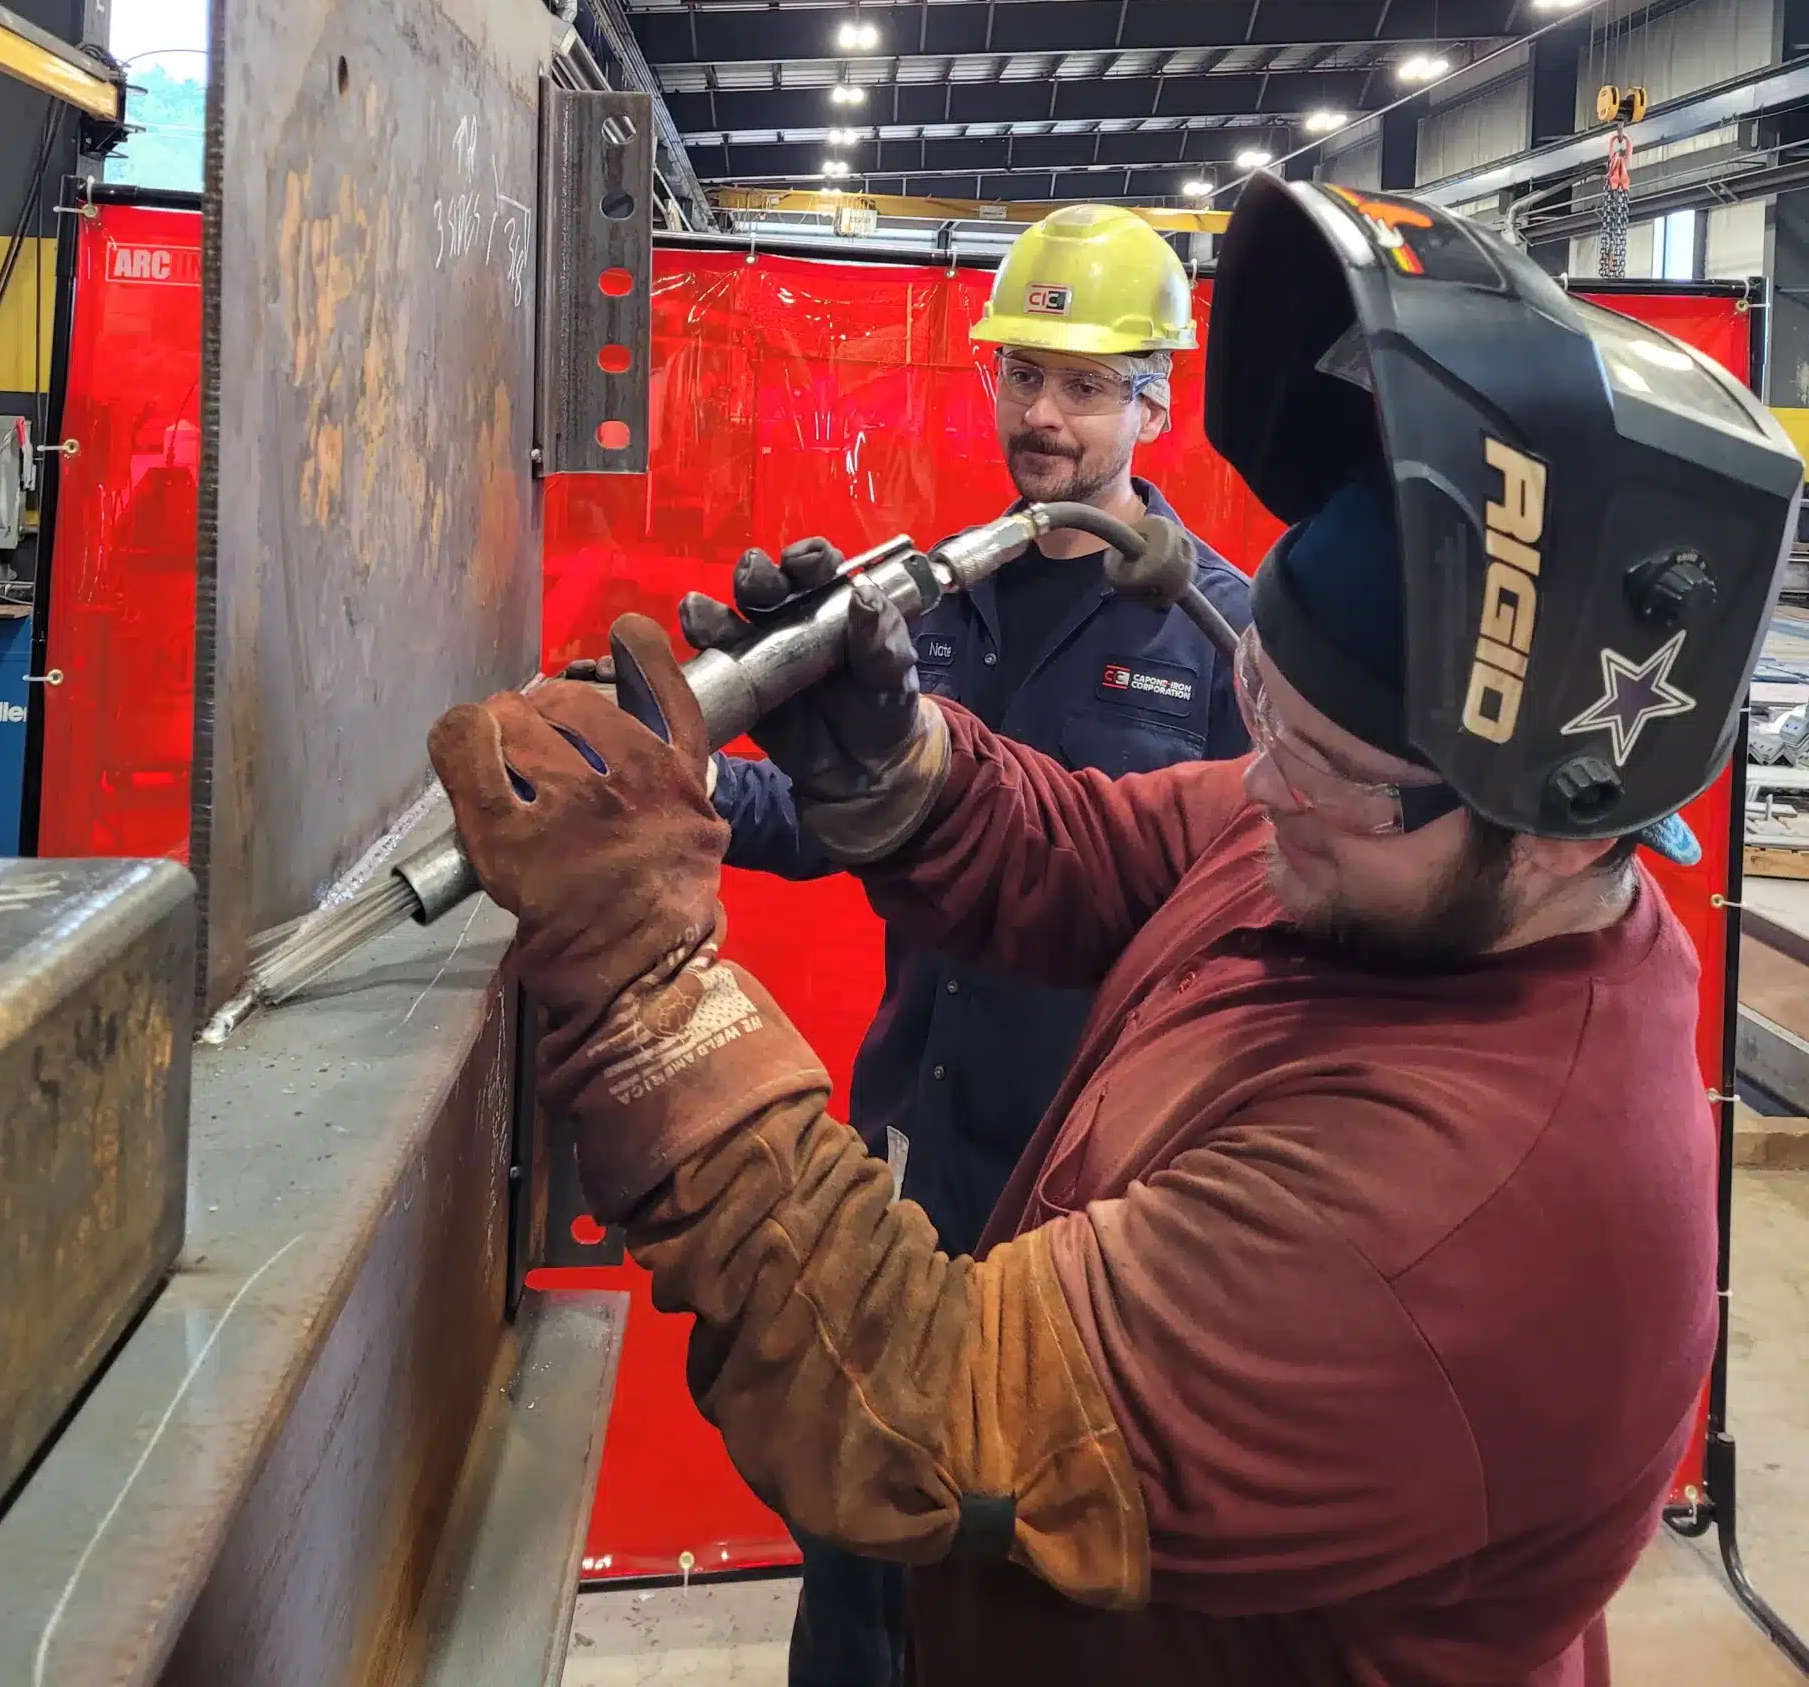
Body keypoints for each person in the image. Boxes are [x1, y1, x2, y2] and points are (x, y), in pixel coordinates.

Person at [432, 176, 1802, 1686]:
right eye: (1263, 706)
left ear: (1562, 824)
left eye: (1323, 767)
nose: (1256, 773)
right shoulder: (1369, 862)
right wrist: (890, 757)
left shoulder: (1462, 1217)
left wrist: (647, 985)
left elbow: (920, 1414)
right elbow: (1089, 844)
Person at [703, 203, 1249, 1684]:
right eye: (1023, 375)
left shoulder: (1225, 641)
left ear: (1157, 398)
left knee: (1019, 1560)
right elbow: (848, 819)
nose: (1043, 416)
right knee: (863, 1524)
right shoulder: (939, 599)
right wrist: (680, 781)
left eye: (1083, 384)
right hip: (916, 1144)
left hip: (1098, 1185)